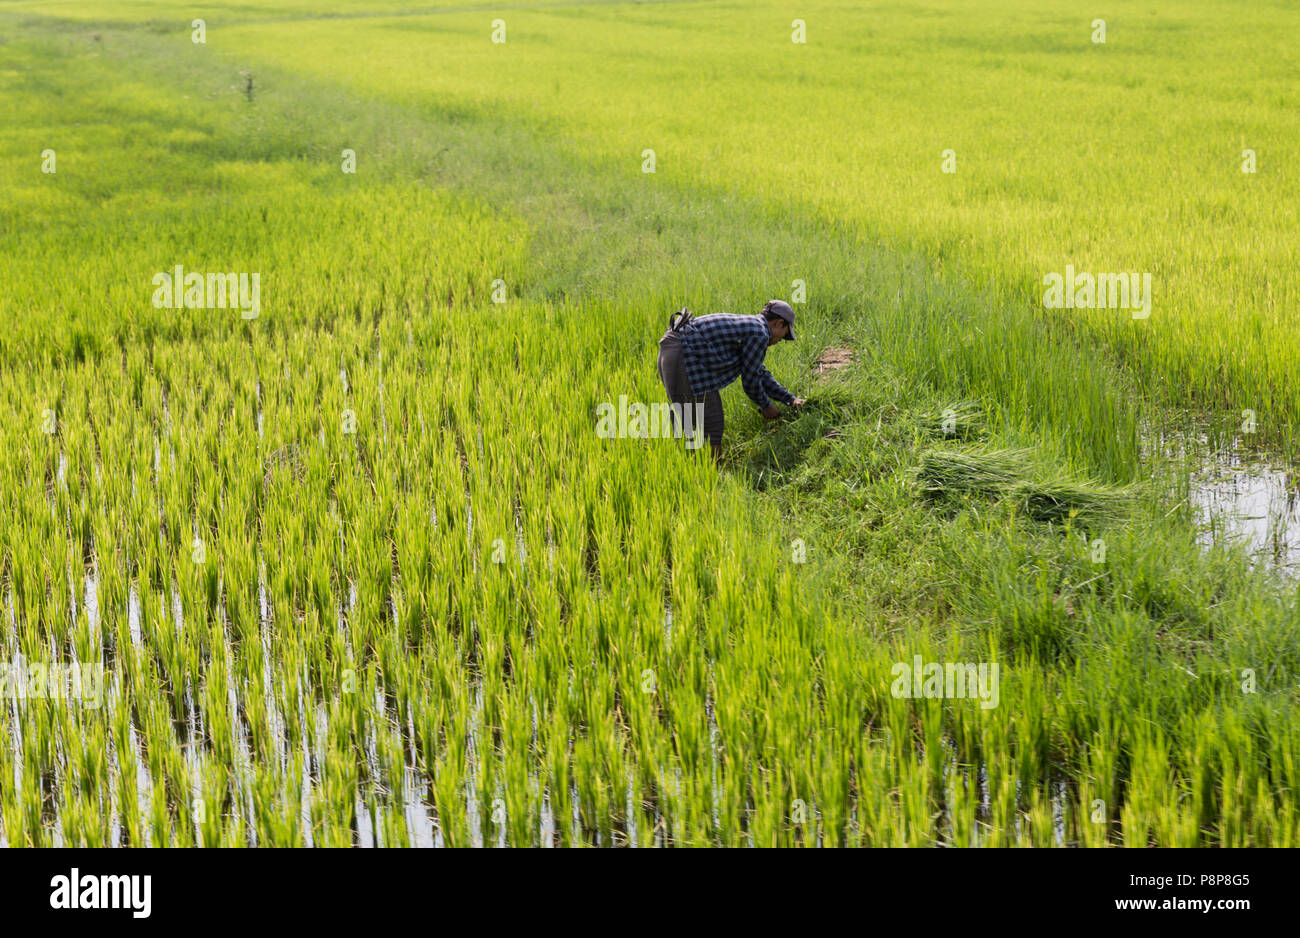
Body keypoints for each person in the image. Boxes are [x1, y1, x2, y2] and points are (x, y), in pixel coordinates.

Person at [656, 299, 805, 461]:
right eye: (784, 336)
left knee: (683, 416)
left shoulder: (751, 326)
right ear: (779, 323)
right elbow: (750, 381)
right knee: (711, 422)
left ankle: (687, 465)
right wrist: (766, 405)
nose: (779, 341)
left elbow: (757, 372)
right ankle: (712, 472)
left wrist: (790, 399)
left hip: (673, 347)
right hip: (683, 354)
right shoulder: (760, 333)